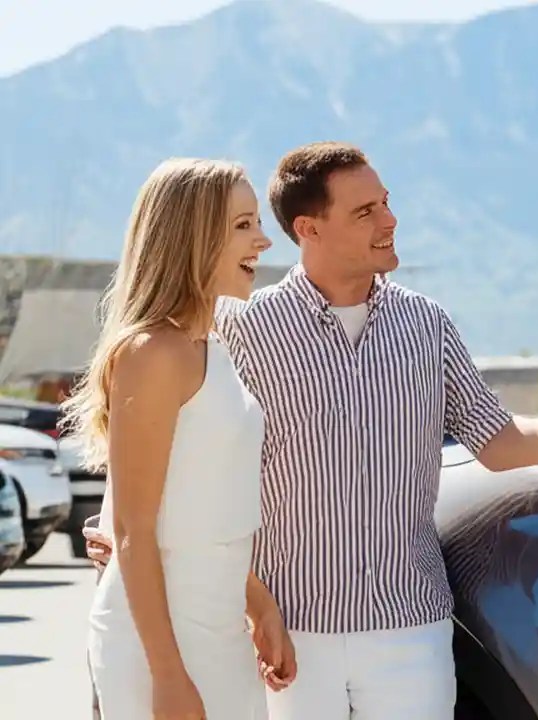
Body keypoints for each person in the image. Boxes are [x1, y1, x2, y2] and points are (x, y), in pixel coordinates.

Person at [86, 141, 538, 719]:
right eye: (365, 211)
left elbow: (501, 442)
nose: (390, 220)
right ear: (309, 228)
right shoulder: (236, 327)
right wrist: (122, 531)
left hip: (408, 625)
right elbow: (167, 444)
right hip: (288, 630)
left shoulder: (427, 325)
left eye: (386, 203)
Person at [65, 158, 293, 719]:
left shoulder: (209, 347)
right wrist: (166, 677)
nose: (263, 240)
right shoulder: (153, 354)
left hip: (216, 631)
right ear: (192, 235)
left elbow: (196, 511)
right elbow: (134, 531)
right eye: (243, 225)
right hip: (160, 648)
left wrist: (258, 603)